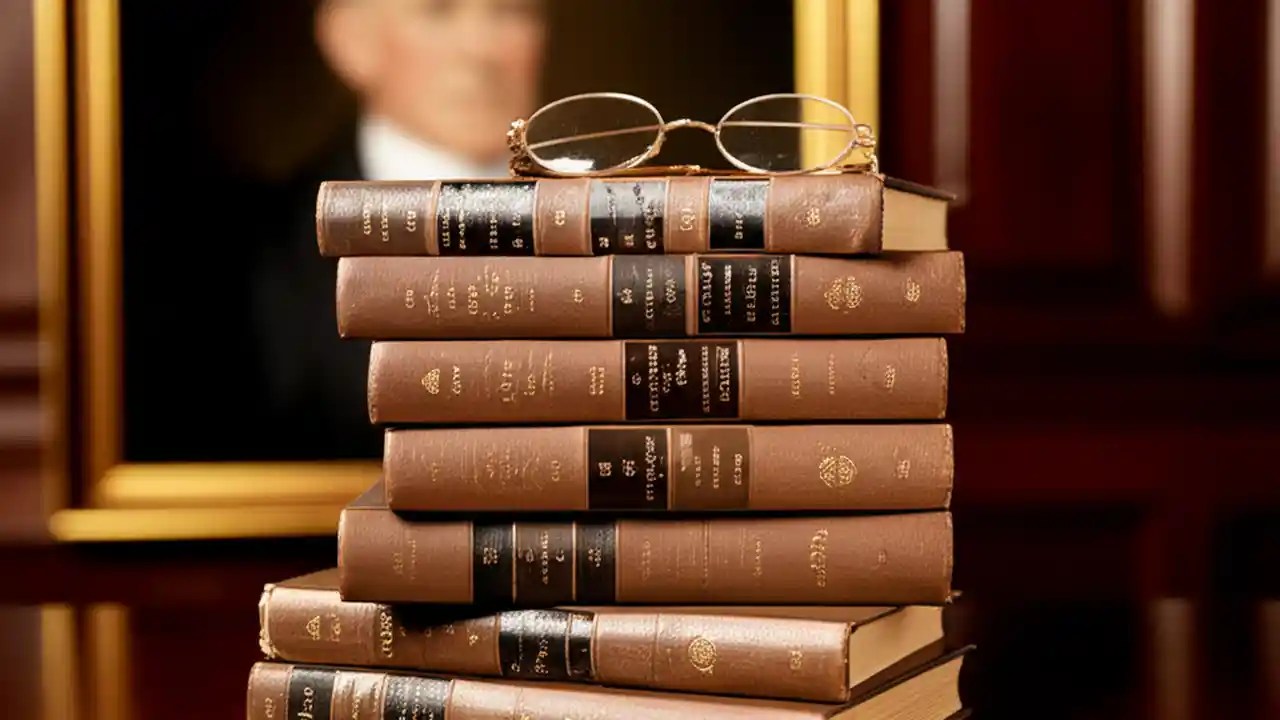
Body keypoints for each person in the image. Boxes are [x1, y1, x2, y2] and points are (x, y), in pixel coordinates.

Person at [248, 0, 547, 458]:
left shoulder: (613, 236)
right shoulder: (253, 248)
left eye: (513, 11)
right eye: (438, 11)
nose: (483, 48)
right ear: (351, 40)